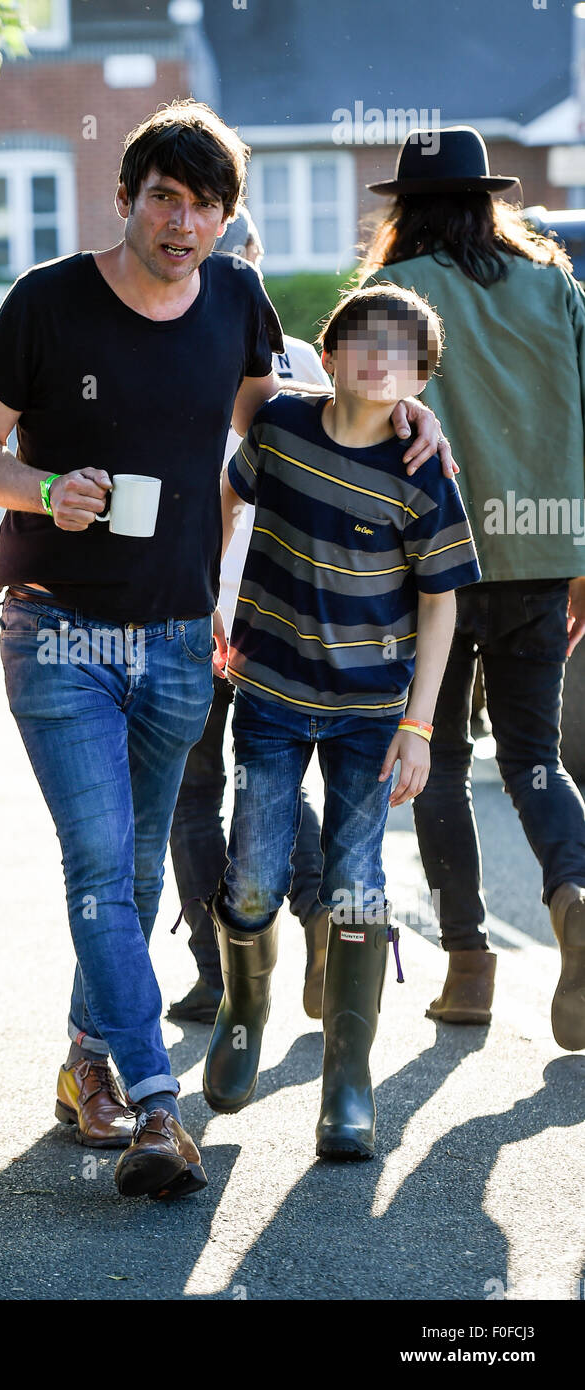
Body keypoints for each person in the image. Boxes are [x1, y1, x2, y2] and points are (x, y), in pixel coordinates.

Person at [0, 101, 449, 1200]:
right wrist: (44, 489)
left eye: (207, 204)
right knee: (98, 868)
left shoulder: (234, 294)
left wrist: (403, 410)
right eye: (165, 198)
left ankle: (87, 1061)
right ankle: (155, 1104)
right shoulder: (46, 302)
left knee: (127, 872)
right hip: (57, 626)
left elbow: (281, 432)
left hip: (178, 632)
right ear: (126, 198)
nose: (184, 222)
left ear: (228, 216)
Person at [210, 283, 481, 1160]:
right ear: (326, 354)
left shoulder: (423, 473)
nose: (377, 361)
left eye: (399, 352)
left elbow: (442, 604)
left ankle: (348, 1083)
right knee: (253, 875)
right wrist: (210, 590)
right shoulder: (282, 429)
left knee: (357, 879)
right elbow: (230, 492)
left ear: (422, 378)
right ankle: (245, 1008)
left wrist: (421, 727)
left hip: (372, 712)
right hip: (272, 694)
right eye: (361, 342)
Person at [361, 126, 585, 1047]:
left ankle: (469, 968)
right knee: (536, 755)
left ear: (404, 210)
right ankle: (573, 894)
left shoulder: (395, 294)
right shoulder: (554, 287)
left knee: (440, 759)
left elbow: (363, 426)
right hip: (543, 554)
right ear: (490, 202)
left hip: (433, 563)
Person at [168, 206, 331, 1026]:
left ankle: (215, 970)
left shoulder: (163, 346)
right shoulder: (302, 363)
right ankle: (319, 926)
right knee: (269, 780)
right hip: (278, 608)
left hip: (191, 603)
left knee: (192, 790)